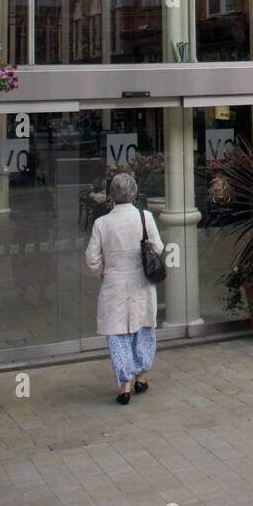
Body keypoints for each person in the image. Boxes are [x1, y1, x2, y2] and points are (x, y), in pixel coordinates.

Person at [85, 171, 164, 405]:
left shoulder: (102, 223)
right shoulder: (145, 217)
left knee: (118, 334)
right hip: (141, 281)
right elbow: (157, 247)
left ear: (111, 195)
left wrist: (103, 272)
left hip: (114, 283)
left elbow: (92, 259)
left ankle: (124, 385)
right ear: (134, 193)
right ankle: (142, 376)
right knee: (143, 328)